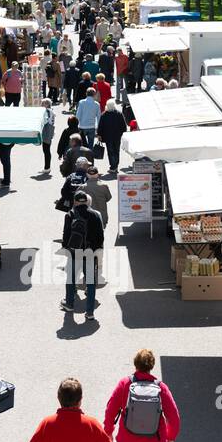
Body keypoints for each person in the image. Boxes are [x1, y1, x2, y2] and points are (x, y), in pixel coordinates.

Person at [61, 189, 104, 318]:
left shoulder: (70, 215)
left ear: (74, 201)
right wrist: (96, 249)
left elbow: (66, 235)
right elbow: (100, 236)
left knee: (71, 279)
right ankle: (90, 312)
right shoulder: (95, 215)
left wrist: (66, 248)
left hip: (75, 253)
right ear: (87, 201)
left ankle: (69, 304)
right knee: (90, 283)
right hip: (90, 253)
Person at [96, 99, 128, 174]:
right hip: (117, 136)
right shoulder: (119, 114)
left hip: (108, 137)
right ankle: (115, 166)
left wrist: (99, 134)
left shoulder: (104, 114)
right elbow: (124, 126)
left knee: (110, 151)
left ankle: (113, 166)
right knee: (117, 151)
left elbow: (100, 126)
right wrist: (122, 133)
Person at [40, 98, 56, 174]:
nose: (41, 105)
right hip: (50, 131)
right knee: (47, 149)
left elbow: (45, 121)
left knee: (46, 150)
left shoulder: (47, 111)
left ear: (47, 104)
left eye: (42, 104)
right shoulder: (51, 111)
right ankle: (47, 167)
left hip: (47, 131)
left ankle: (47, 167)